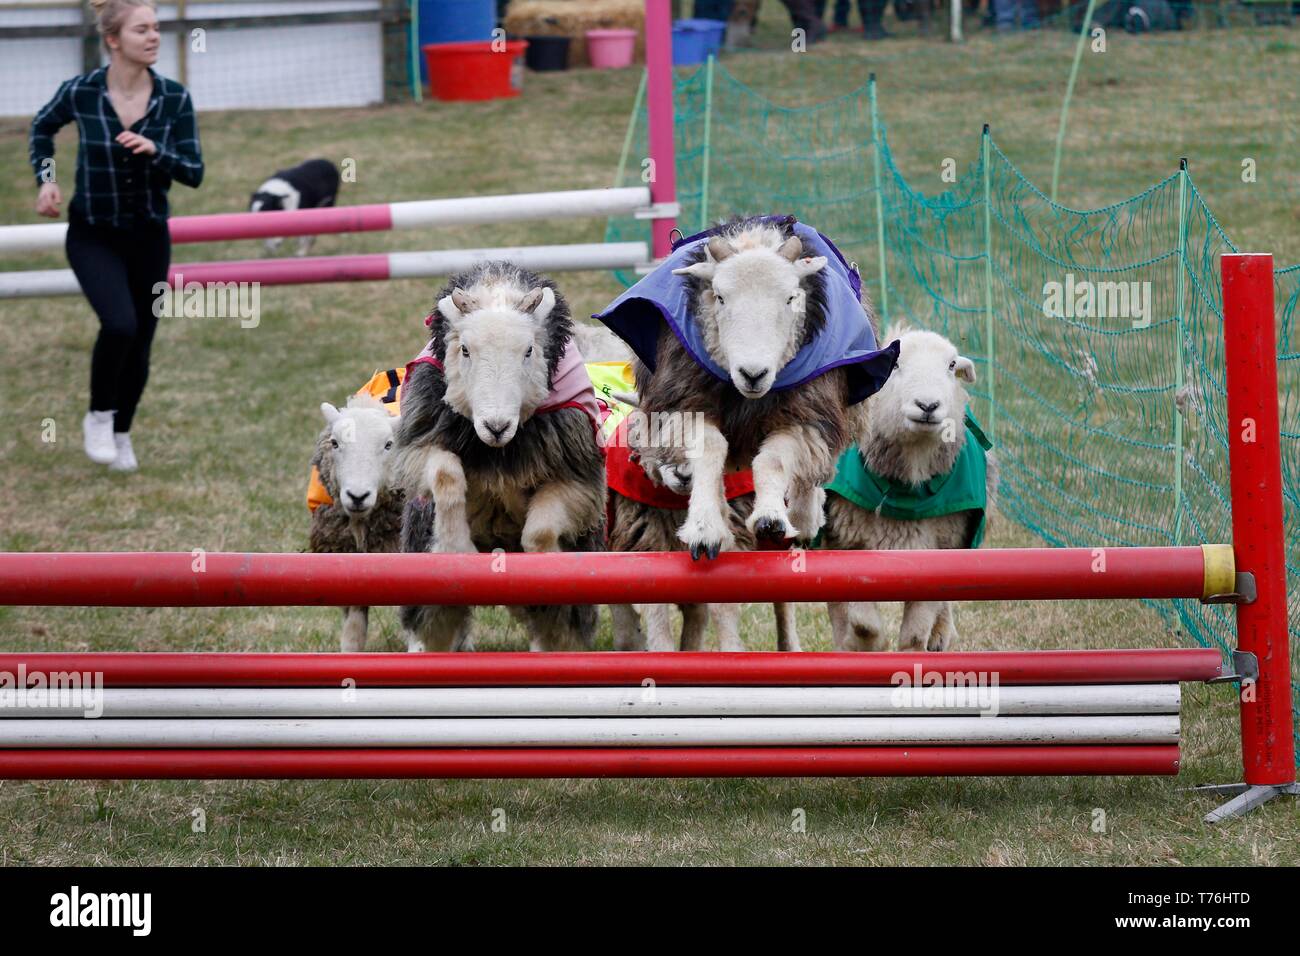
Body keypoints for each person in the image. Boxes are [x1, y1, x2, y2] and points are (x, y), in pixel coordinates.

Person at [29, 0, 204, 472]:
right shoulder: (82, 91)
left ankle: (121, 432)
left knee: (141, 342)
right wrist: (46, 178)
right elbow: (42, 128)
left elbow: (194, 172)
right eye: (141, 29)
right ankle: (98, 415)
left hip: (148, 237)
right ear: (112, 40)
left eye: (157, 28)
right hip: (93, 234)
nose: (154, 37)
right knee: (120, 325)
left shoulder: (174, 97)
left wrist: (155, 151)